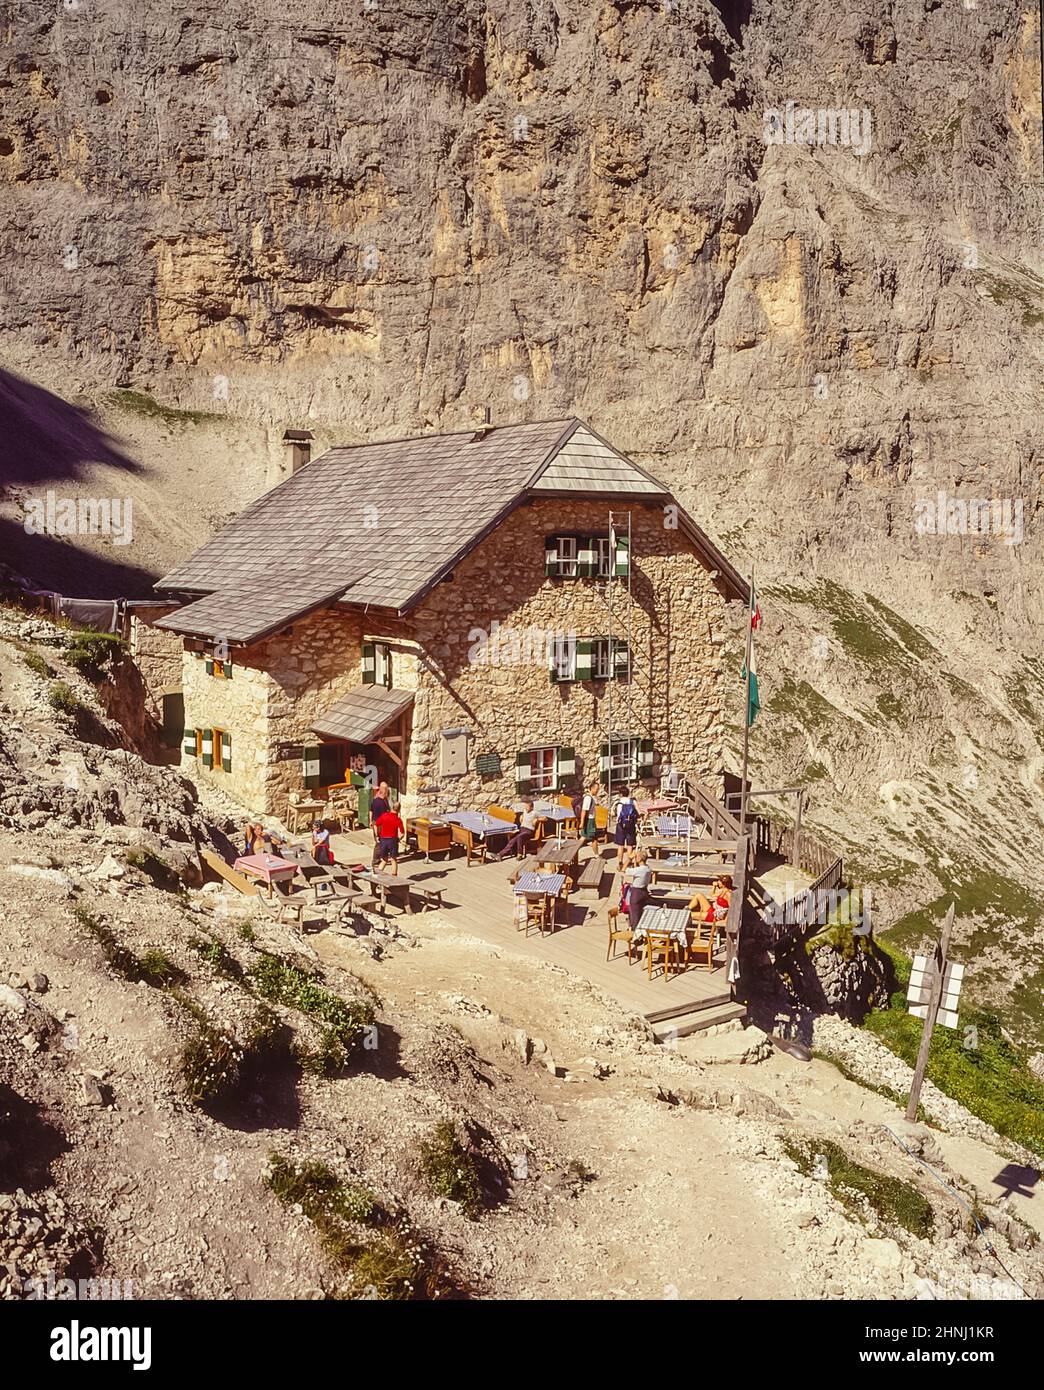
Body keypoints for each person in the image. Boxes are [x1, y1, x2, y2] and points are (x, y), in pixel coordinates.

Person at [622, 850, 652, 931]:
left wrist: (629, 858)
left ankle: (635, 934)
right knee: (640, 913)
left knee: (634, 915)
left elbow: (623, 869)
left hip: (636, 893)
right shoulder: (648, 868)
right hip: (644, 891)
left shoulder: (639, 870)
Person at [374, 801, 405, 875]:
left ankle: (377, 875)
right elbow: (402, 833)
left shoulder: (384, 815)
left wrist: (377, 835)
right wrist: (399, 839)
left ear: (392, 807)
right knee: (393, 859)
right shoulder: (398, 819)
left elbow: (375, 825)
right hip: (393, 840)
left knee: (384, 860)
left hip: (383, 840)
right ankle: (394, 878)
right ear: (399, 809)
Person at [612, 786, 639, 869]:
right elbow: (639, 812)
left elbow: (613, 814)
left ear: (620, 794)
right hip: (631, 825)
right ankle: (629, 863)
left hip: (620, 825)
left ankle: (620, 863)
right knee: (630, 845)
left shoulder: (617, 802)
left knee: (620, 845)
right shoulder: (633, 801)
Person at [369, 781, 391, 868]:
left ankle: (380, 857)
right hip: (379, 825)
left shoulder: (375, 800)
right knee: (379, 842)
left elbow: (371, 811)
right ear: (385, 791)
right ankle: (375, 861)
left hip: (376, 822)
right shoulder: (381, 803)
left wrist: (370, 821)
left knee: (380, 842)